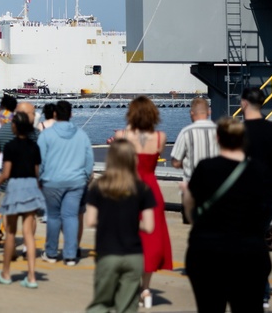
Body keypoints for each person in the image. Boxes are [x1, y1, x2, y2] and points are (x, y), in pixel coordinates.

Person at [184, 118, 271, 313]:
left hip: (208, 253)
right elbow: (264, 210)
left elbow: (190, 210)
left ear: (218, 138)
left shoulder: (205, 168)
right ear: (243, 139)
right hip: (249, 253)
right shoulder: (259, 170)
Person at [84, 140, 156, 313]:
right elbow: (149, 226)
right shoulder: (143, 189)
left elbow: (91, 221)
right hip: (133, 255)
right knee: (128, 307)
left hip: (107, 252)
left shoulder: (99, 187)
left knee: (101, 304)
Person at [114, 96, 172, 304]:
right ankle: (145, 290)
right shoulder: (160, 137)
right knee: (150, 239)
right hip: (151, 190)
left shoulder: (122, 135)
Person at [240, 87, 272, 309]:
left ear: (243, 103)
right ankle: (262, 292)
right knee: (259, 240)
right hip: (268, 196)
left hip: (241, 197)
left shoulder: (236, 132)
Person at [0, 110, 44, 287]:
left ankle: (6, 273)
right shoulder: (35, 146)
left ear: (15, 126)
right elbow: (37, 172)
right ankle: (32, 277)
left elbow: (5, 174)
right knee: (29, 233)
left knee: (11, 232)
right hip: (31, 187)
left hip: (15, 188)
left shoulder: (10, 147)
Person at [38, 99, 92, 266]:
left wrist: (40, 178)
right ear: (71, 114)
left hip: (52, 181)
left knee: (54, 217)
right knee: (71, 217)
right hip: (75, 183)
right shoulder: (81, 135)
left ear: (55, 114)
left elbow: (39, 159)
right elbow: (89, 161)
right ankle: (70, 255)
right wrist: (85, 177)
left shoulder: (46, 134)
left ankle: (52, 253)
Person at [170, 96, 219, 223]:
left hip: (192, 190)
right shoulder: (220, 132)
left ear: (192, 113)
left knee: (191, 231)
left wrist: (185, 164)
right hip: (216, 189)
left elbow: (175, 162)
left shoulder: (186, 132)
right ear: (209, 112)